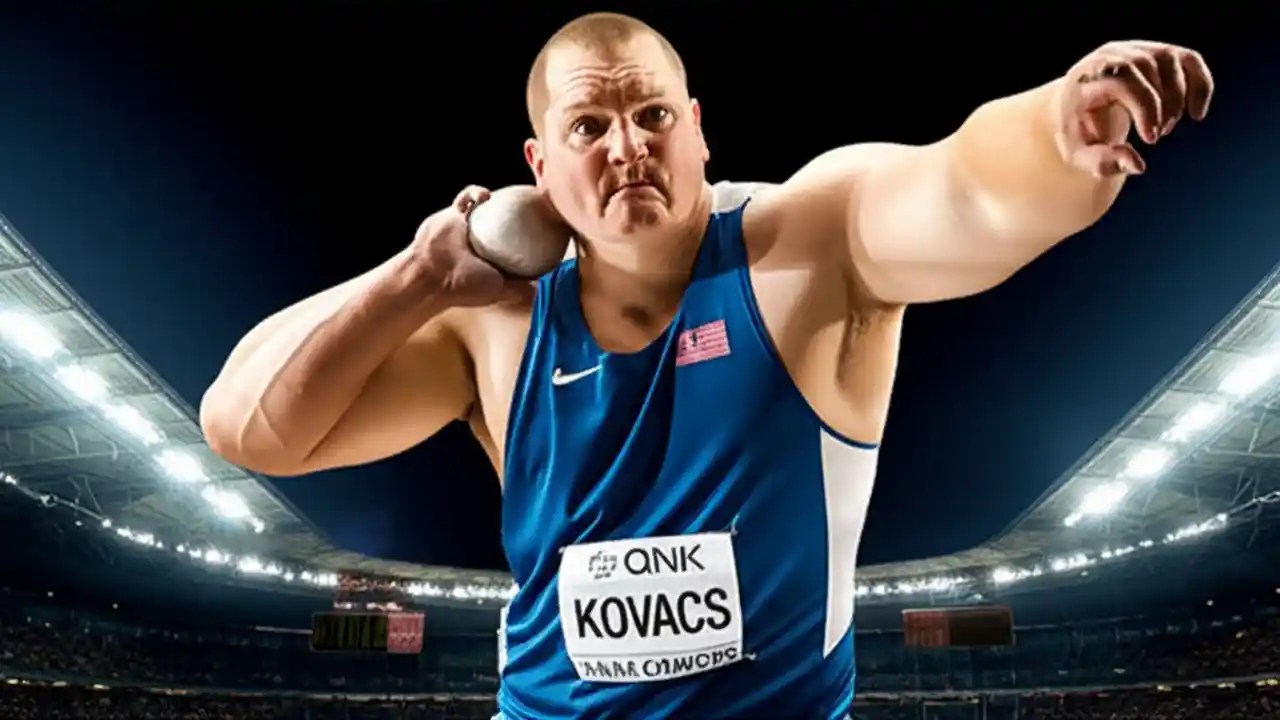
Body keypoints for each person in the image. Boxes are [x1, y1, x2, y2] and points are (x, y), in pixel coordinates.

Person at [199, 11, 1214, 719]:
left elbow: (960, 188)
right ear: (538, 169)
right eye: (587, 127)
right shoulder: (491, 321)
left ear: (695, 129)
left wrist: (1056, 127)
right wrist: (415, 277)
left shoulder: (810, 246)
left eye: (651, 116)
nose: (626, 145)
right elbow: (253, 428)